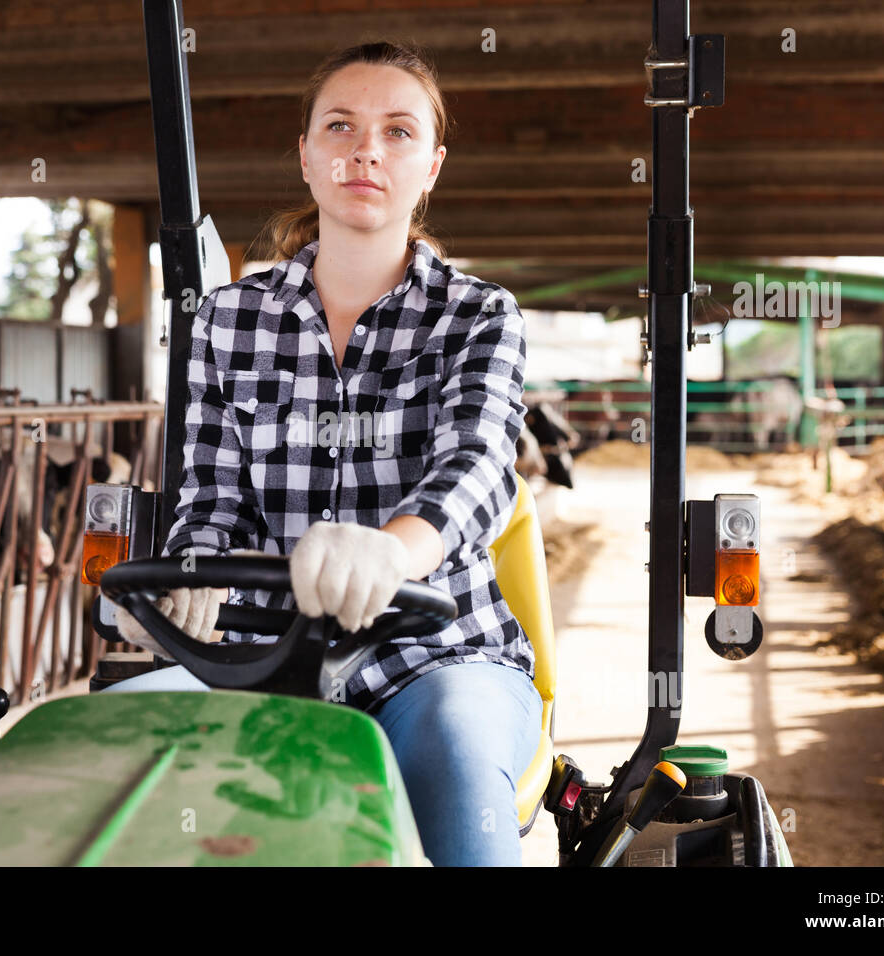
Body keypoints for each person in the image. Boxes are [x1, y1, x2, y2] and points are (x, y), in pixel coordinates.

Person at [105, 40, 541, 867]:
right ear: (306, 156)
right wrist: (195, 579)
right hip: (262, 659)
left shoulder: (478, 315)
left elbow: (480, 464)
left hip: (439, 657)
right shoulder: (228, 320)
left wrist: (392, 547)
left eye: (398, 131)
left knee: (452, 759)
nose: (366, 148)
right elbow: (211, 496)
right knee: (96, 756)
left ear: (432, 165)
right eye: (339, 126)